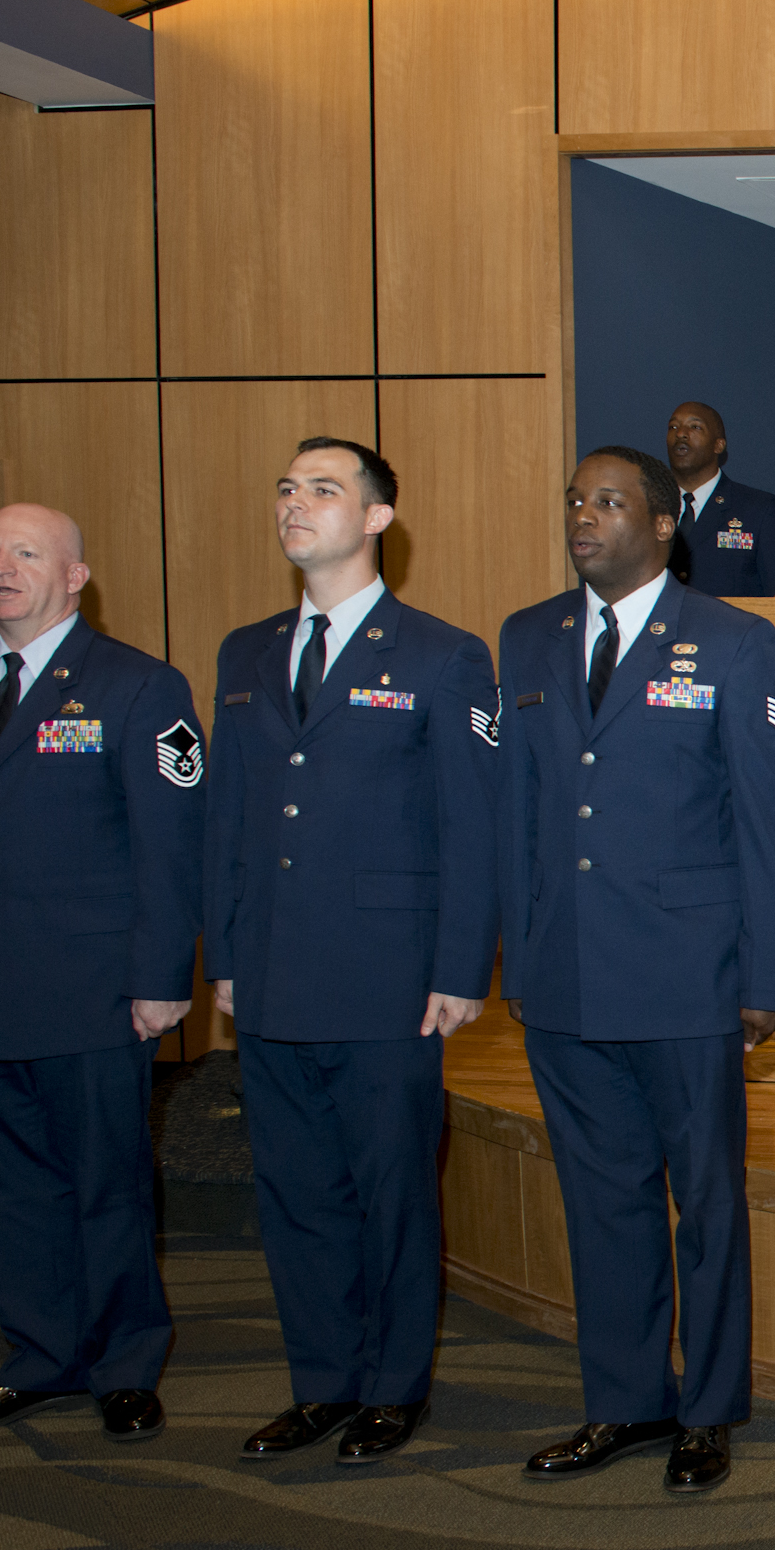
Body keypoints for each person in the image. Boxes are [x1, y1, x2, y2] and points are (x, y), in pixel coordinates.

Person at [499, 446, 775, 1494]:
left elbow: (770, 824)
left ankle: (708, 1409)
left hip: (689, 975)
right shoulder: (528, 639)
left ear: (665, 524)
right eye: (576, 499)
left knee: (705, 1202)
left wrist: (770, 975)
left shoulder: (733, 640)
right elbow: (519, 817)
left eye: (611, 501)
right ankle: (624, 1399)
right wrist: (517, 956)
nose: (586, 517)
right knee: (602, 1200)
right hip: (568, 976)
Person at [208, 439, 501, 1466]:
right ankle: (321, 1381)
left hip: (389, 977)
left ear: (379, 518)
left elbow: (473, 824)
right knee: (294, 1193)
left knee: (390, 1192)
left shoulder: (441, 654)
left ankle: (393, 1385)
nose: (296, 504)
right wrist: (226, 959)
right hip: (274, 968)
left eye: (323, 490)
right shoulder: (244, 654)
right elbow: (227, 820)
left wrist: (463, 968)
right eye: (286, 488)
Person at [0, 505, 203, 1442]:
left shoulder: (138, 686)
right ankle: (39, 1355)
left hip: (93, 990)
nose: (2, 568)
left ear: (75, 575)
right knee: (7, 1184)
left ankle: (123, 1363)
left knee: (105, 1182)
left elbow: (169, 849)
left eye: (26, 553)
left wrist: (163, 978)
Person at [663, 401, 775, 598]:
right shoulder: (649, 508)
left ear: (719, 445)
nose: (680, 433)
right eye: (673, 426)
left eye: (695, 427)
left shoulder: (760, 510)